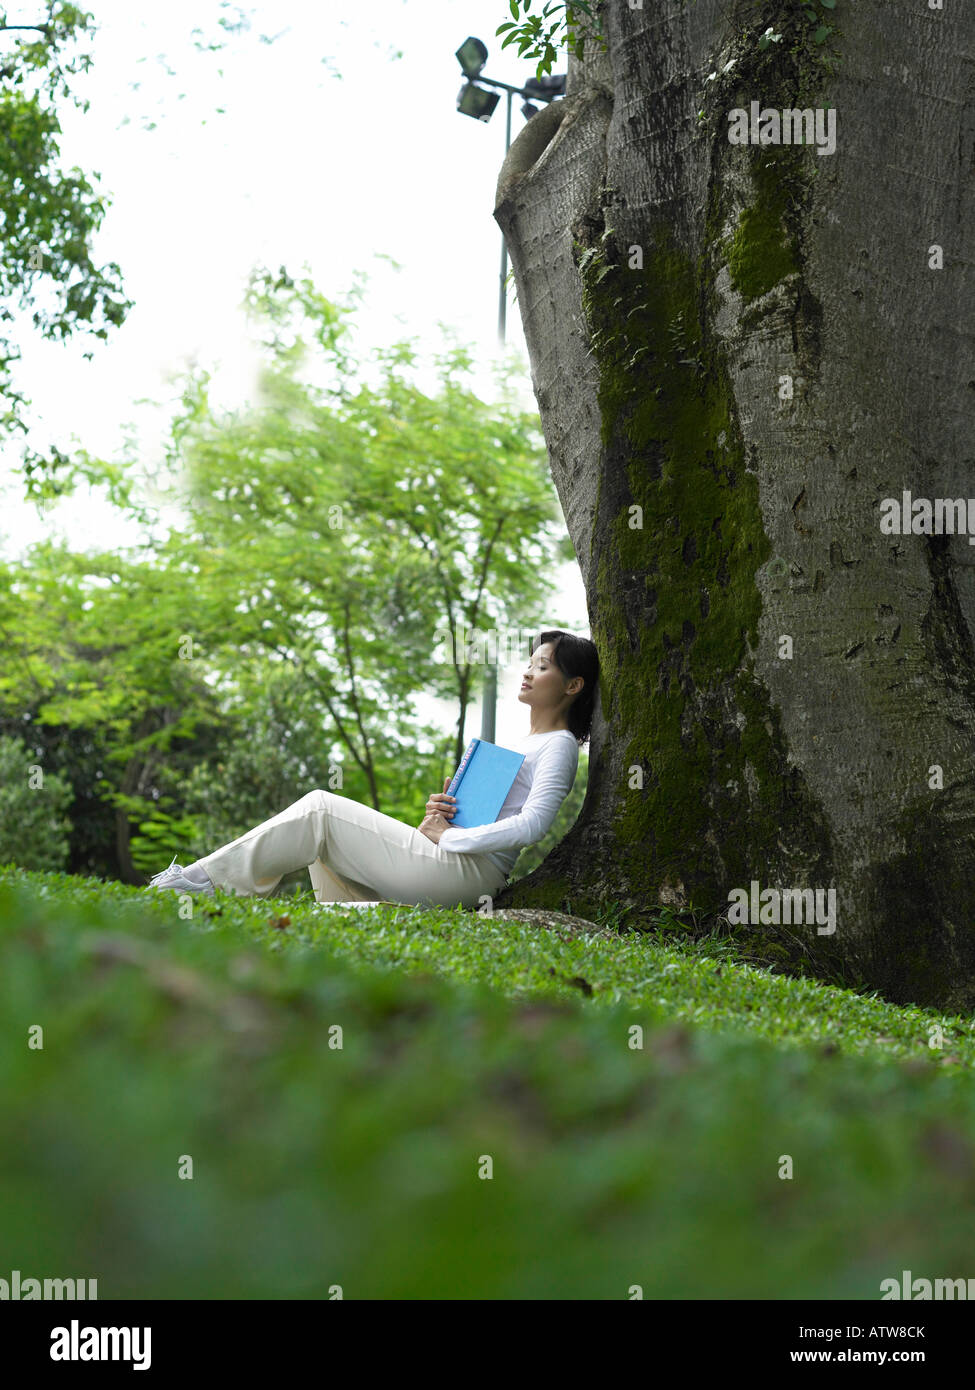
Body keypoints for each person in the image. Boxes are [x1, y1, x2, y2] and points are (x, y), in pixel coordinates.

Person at [147, 629, 599, 910]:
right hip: (451, 859)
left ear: (573, 686)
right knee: (323, 845)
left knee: (321, 811)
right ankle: (350, 913)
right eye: (528, 663)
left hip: (469, 874)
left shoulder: (559, 746)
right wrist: (443, 814)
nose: (527, 673)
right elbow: (494, 815)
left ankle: (202, 884)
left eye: (542, 666)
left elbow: (534, 825)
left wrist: (453, 837)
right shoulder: (522, 744)